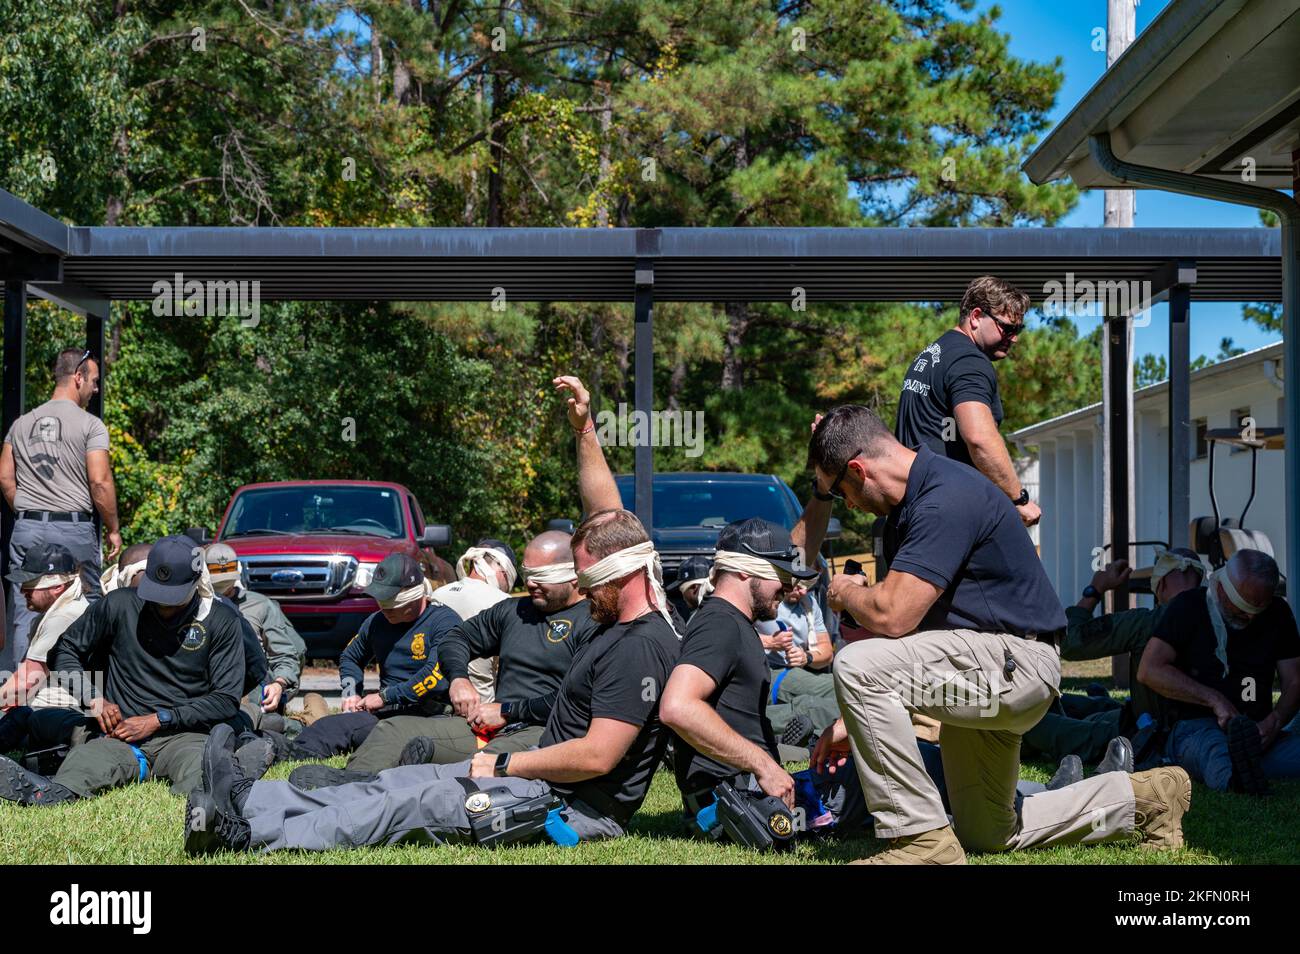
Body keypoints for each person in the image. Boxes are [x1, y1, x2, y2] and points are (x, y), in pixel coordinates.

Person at [183, 376, 682, 854]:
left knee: (416, 803)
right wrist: (584, 430)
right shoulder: (622, 601)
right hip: (537, 774)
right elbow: (608, 516)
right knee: (402, 779)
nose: (580, 588)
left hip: (569, 803)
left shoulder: (639, 645)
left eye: (588, 579)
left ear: (624, 575)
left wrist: (507, 763)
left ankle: (246, 835)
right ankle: (249, 800)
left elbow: (598, 756)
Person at [800, 405, 1191, 864]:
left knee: (856, 663)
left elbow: (892, 615)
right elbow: (919, 641)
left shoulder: (943, 496)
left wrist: (846, 591)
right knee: (989, 831)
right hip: (993, 678)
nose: (848, 504)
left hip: (1012, 668)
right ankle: (1147, 799)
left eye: (841, 491)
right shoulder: (921, 497)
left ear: (858, 469)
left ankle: (920, 845)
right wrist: (859, 721)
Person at [297, 530, 598, 779]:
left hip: (546, 732)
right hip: (489, 726)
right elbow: (457, 638)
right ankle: (352, 784)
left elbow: (578, 699)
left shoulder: (595, 621)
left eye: (541, 575)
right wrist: (458, 679)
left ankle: (411, 783)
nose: (530, 582)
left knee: (478, 770)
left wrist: (507, 710)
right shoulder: (513, 610)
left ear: (574, 576)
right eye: (527, 573)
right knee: (394, 728)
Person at [0, 535, 247, 805]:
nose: (163, 606)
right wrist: (93, 698)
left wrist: (158, 719)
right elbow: (64, 651)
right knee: (83, 766)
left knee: (203, 776)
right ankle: (43, 794)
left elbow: (225, 699)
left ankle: (221, 797)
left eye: (172, 598)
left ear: (196, 582)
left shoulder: (221, 620)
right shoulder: (119, 604)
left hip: (184, 736)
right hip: (118, 734)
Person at [660, 517, 820, 820]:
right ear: (744, 569)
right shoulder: (720, 624)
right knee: (860, 787)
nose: (788, 587)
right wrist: (763, 765)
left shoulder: (734, 623)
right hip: (736, 802)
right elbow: (677, 707)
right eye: (780, 574)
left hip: (747, 792)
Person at [1020, 550, 1206, 767]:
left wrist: (1095, 589)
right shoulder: (1217, 619)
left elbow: (1071, 643)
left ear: (1161, 584)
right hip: (1173, 725)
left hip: (1147, 737)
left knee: (1026, 718)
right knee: (1076, 705)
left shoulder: (1148, 623)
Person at [1138, 549, 1300, 794]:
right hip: (1197, 728)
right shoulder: (1189, 606)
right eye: (1243, 607)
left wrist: (1275, 722)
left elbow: (1295, 680)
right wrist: (1214, 700)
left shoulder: (1277, 612)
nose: (1249, 616)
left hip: (1259, 733)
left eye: (1257, 610)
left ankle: (1248, 764)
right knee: (1214, 752)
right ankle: (1237, 783)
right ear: (1223, 587)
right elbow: (1149, 670)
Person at [0, 348, 122, 671]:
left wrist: (27, 510)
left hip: (26, 527)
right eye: (94, 381)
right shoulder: (91, 426)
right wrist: (113, 529)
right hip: (73, 529)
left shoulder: (20, 425)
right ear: (78, 377)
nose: (96, 389)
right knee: (86, 606)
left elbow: (4, 476)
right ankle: (85, 685)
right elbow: (100, 482)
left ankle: (18, 695)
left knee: (25, 607)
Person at [282, 552, 462, 761]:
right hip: (386, 714)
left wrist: (384, 697)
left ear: (412, 595)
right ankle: (285, 752)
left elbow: (434, 678)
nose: (384, 609)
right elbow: (350, 657)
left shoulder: (444, 622)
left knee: (389, 740)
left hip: (431, 717)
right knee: (329, 728)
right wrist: (351, 693)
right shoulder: (377, 621)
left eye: (391, 602)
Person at [892, 276, 1040, 528]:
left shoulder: (934, 354)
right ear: (975, 316)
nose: (1013, 338)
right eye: (1007, 328)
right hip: (946, 512)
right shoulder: (968, 360)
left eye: (1018, 330)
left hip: (912, 508)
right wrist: (1019, 498)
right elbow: (979, 438)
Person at [0, 543, 94, 760]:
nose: (23, 590)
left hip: (57, 714)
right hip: (52, 711)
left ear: (57, 586)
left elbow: (25, 683)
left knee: (19, 715)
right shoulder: (61, 609)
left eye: (31, 584)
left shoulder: (64, 616)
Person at [204, 543, 305, 724]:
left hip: (251, 684)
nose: (223, 590)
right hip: (210, 681)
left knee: (251, 719)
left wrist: (278, 684)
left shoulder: (260, 606)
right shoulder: (195, 606)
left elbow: (286, 653)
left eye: (226, 584)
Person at [753, 576, 840, 744]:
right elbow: (732, 634)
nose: (803, 591)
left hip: (802, 670)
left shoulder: (809, 603)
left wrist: (806, 657)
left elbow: (827, 652)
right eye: (797, 586)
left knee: (840, 683)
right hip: (771, 671)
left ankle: (810, 734)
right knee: (836, 689)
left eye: (806, 586)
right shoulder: (762, 598)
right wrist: (771, 642)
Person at [431, 539, 519, 702]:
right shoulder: (503, 602)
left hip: (433, 700)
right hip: (478, 707)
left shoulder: (438, 594)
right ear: (503, 571)